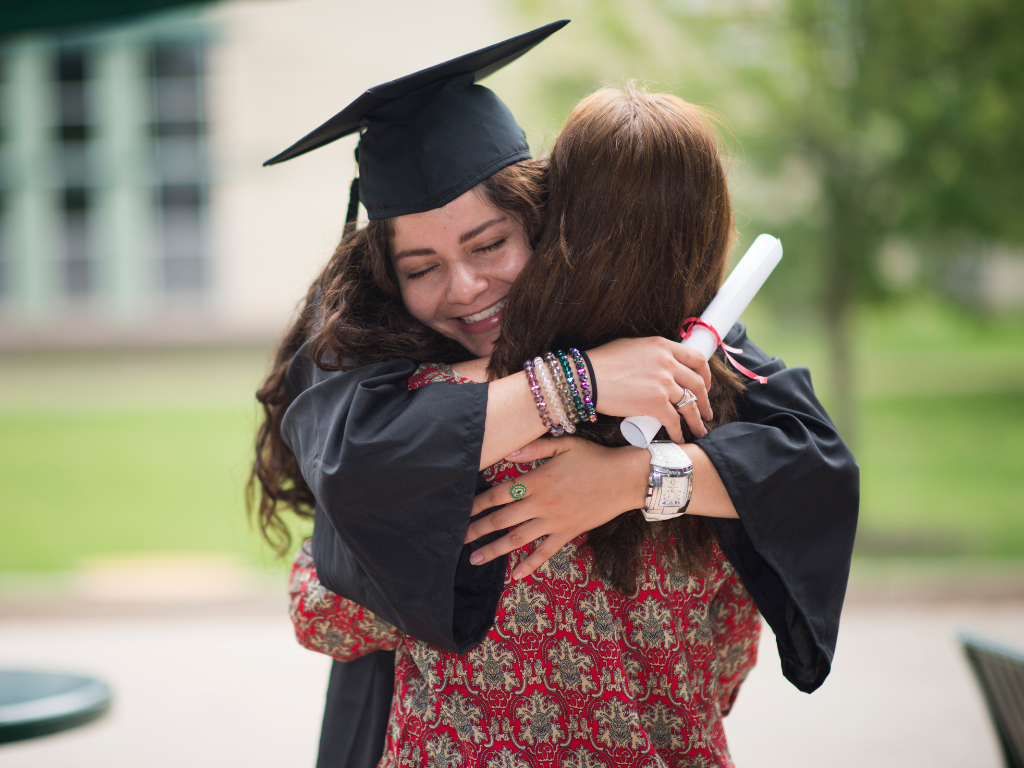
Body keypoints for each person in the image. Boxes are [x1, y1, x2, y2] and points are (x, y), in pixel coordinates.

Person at [252, 20, 858, 767]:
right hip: (385, 707)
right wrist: (581, 382)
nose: (466, 288)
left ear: (543, 221)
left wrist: (631, 479)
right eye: (421, 268)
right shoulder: (361, 348)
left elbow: (810, 458)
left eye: (489, 244)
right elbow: (350, 511)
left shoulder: (665, 344)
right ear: (385, 277)